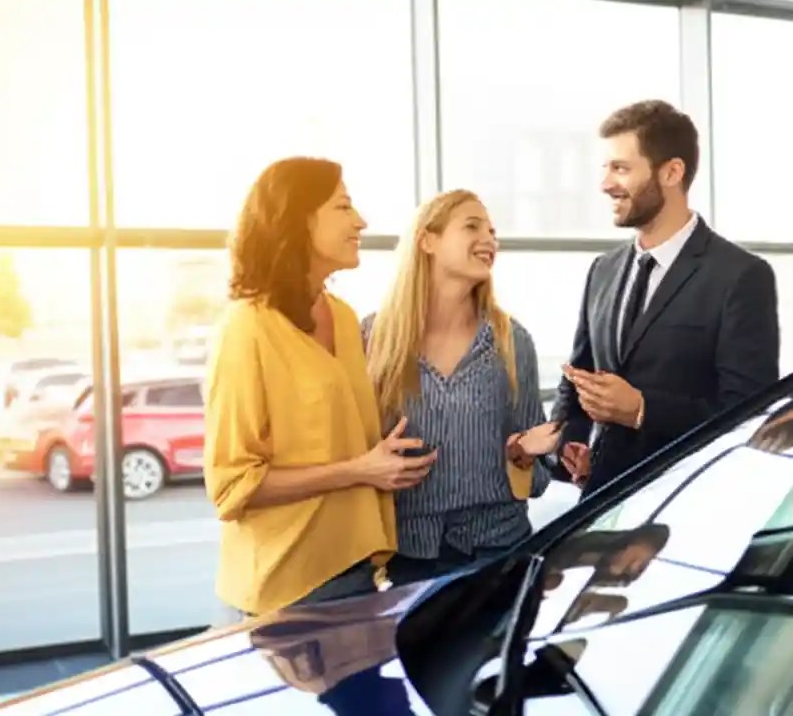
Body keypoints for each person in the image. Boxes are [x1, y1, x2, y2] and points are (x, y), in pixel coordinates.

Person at [204, 157, 438, 618]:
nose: (361, 222)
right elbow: (232, 487)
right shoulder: (245, 329)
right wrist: (360, 470)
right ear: (297, 218)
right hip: (281, 594)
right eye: (343, 207)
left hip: (357, 574)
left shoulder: (345, 319)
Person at [548, 99, 781, 497]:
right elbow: (577, 382)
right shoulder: (602, 271)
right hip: (600, 507)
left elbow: (748, 411)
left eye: (621, 168)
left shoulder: (740, 275)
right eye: (605, 168)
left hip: (688, 505)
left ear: (672, 172)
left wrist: (641, 409)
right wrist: (571, 446)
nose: (605, 183)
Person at [363, 189, 561, 585]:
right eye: (472, 226)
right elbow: (356, 453)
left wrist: (522, 454)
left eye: (492, 231)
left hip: (499, 553)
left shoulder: (511, 340)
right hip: (407, 558)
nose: (489, 240)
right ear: (427, 240)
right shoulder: (374, 337)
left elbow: (537, 478)